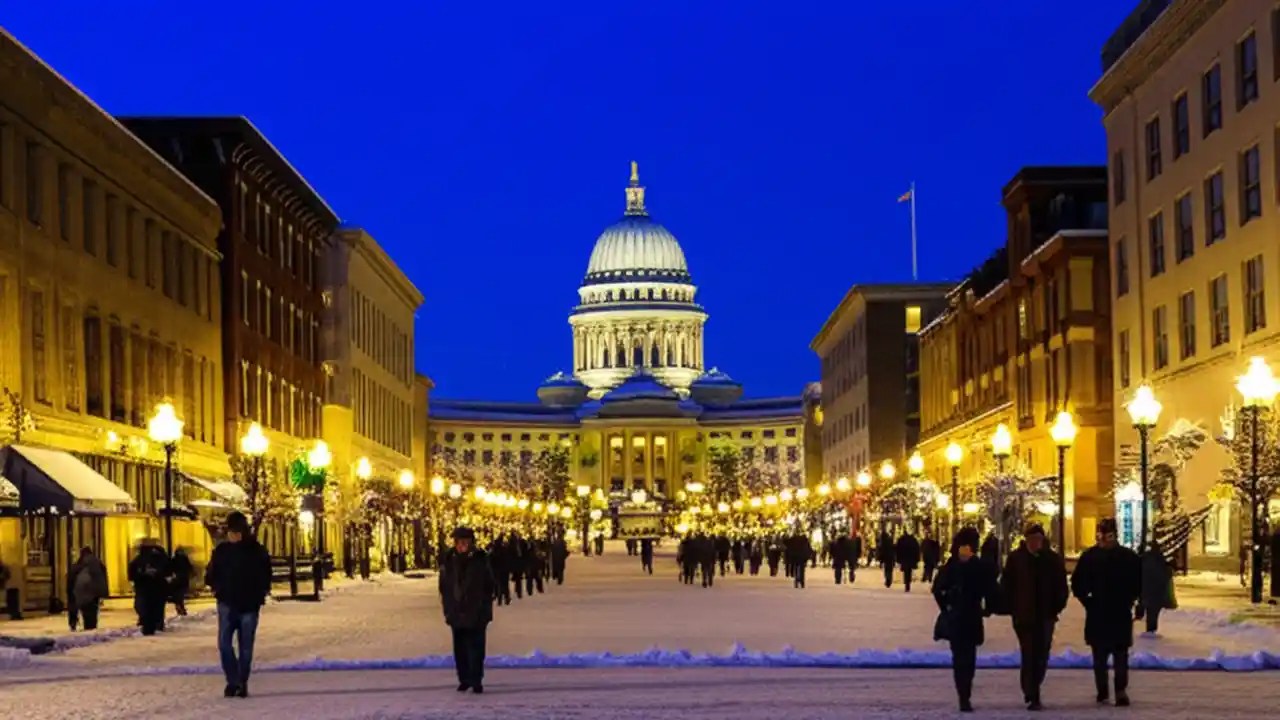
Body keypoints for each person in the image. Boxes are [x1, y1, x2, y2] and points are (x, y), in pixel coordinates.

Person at [1071, 518, 1141, 707]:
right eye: (1103, 536)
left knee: (1115, 655)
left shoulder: (1100, 557)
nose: (1105, 540)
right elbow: (1078, 585)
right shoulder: (1119, 557)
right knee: (1105, 656)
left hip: (1110, 612)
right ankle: (1108, 691)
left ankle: (1115, 690)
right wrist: (1089, 601)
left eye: (1108, 536)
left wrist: (1089, 601)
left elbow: (1138, 584)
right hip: (1106, 612)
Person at [1000, 523, 1068, 711]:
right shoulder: (1017, 559)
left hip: (1046, 615)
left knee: (1042, 654)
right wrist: (1011, 607)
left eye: (1038, 539)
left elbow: (1061, 586)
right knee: (1029, 654)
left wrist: (1057, 606)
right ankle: (1032, 692)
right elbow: (1007, 585)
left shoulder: (1052, 560)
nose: (1035, 543)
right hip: (1024, 616)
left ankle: (1034, 685)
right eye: (1031, 539)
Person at [205, 511, 272, 698]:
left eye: (234, 531)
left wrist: (260, 591)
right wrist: (215, 585)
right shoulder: (223, 551)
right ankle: (234, 680)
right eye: (230, 531)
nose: (231, 535)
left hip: (247, 604)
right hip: (229, 602)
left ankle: (240, 681)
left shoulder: (255, 551)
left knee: (245, 647)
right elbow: (211, 572)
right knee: (225, 644)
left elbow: (265, 574)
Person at [932, 526, 999, 713]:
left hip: (966, 617)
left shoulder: (965, 566)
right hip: (963, 617)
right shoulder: (956, 566)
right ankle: (964, 695)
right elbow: (938, 590)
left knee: (965, 659)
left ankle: (964, 693)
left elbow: (989, 588)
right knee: (964, 659)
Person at [439, 527, 495, 694]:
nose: (463, 545)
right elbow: (444, 587)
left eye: (466, 541)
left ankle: (476, 679)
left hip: (476, 611)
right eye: (460, 542)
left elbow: (489, 584)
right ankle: (463, 679)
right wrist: (448, 609)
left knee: (476, 648)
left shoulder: (480, 559)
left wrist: (484, 606)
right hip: (456, 611)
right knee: (460, 648)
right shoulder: (448, 560)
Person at [128, 538, 170, 636]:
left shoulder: (139, 559)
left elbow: (132, 573)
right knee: (154, 607)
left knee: (146, 607)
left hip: (146, 588)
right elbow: (167, 570)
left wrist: (142, 575)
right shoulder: (161, 558)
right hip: (155, 588)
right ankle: (154, 624)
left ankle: (149, 625)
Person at [67, 547, 108, 631]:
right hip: (95, 592)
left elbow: (72, 577)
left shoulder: (80, 564)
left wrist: (70, 590)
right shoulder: (98, 563)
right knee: (93, 611)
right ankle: (91, 625)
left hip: (83, 592)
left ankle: (84, 625)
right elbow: (103, 577)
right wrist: (103, 591)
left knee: (86, 610)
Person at [1139, 540, 1172, 637]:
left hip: (1146, 588)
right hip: (1156, 589)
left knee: (1149, 608)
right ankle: (1151, 629)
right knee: (1153, 610)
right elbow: (1164, 574)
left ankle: (1150, 628)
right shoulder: (1159, 559)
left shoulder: (1144, 558)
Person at [169, 547, 193, 617]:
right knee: (181, 594)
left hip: (177, 579)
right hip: (183, 579)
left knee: (177, 594)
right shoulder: (185, 559)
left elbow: (170, 568)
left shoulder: (174, 559)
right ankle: (180, 606)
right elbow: (189, 568)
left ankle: (179, 606)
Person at [489, 536, 512, 606]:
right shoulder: (504, 549)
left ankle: (499, 600)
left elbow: (491, 561)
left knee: (498, 585)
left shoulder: (493, 551)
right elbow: (508, 559)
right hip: (504, 569)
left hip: (497, 570)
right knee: (505, 585)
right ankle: (506, 598)